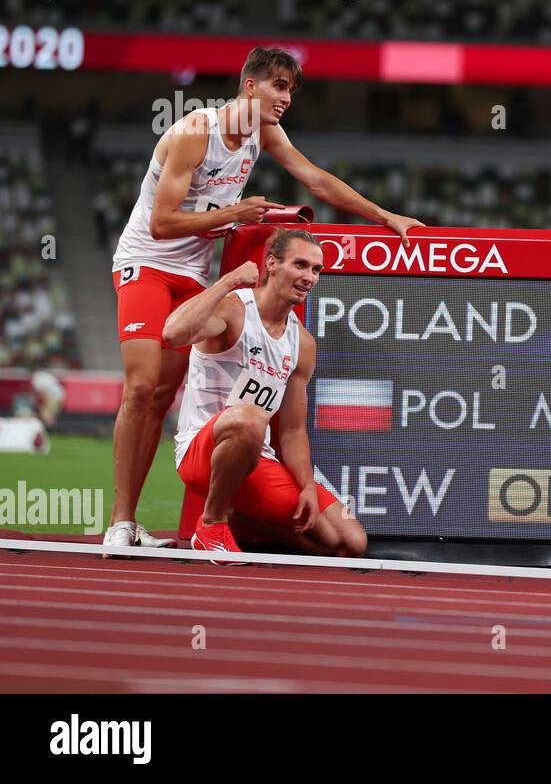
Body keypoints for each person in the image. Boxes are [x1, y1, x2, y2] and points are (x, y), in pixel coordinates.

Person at [105, 46, 423, 550]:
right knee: (142, 388)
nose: (286, 99)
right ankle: (121, 521)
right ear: (249, 86)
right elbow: (162, 224)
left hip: (195, 271)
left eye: (291, 90)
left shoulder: (264, 133)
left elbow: (316, 179)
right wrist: (235, 214)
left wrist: (385, 216)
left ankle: (202, 516)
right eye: (278, 86)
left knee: (166, 395)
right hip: (148, 263)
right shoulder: (194, 133)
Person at [162, 229, 365, 561]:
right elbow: (172, 333)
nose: (309, 277)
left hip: (258, 460)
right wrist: (227, 281)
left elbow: (292, 430)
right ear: (272, 264)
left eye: (316, 270)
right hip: (202, 454)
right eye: (300, 265)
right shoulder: (233, 309)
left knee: (347, 542)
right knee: (250, 418)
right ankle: (211, 524)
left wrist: (307, 487)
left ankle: (241, 519)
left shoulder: (302, 344)